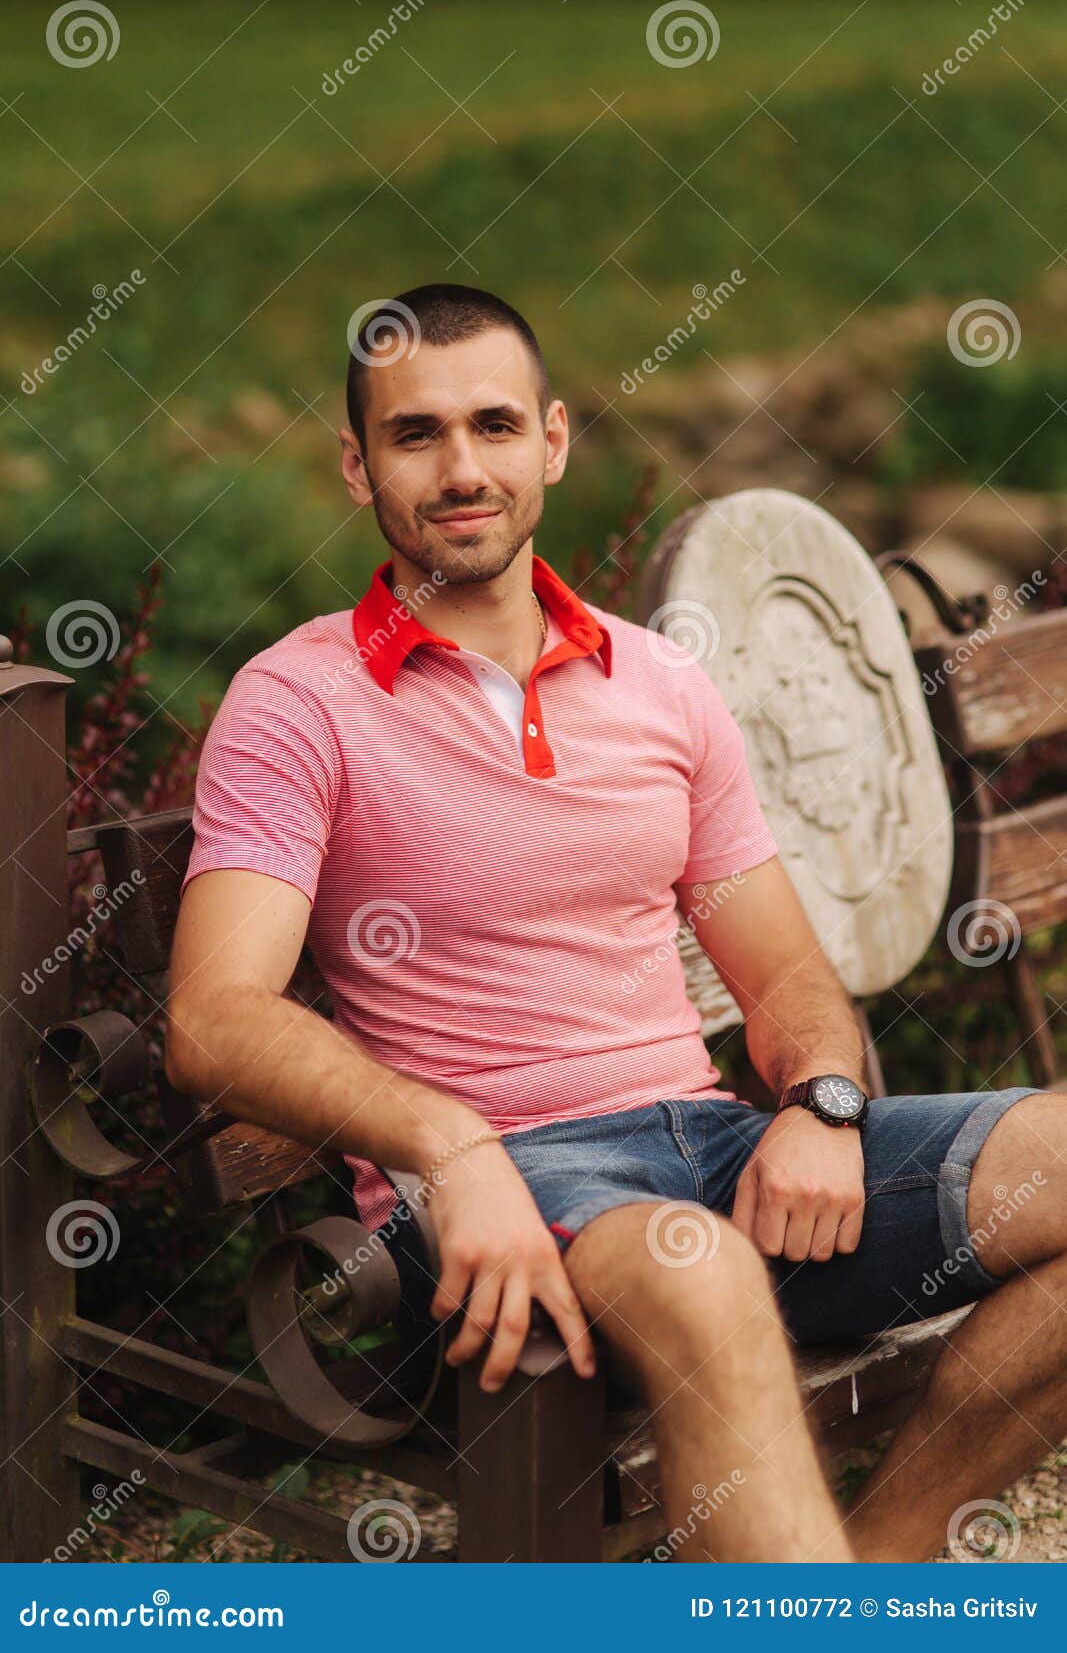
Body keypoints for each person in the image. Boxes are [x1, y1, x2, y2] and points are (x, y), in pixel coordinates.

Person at [166, 282, 1067, 1563]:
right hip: (500, 1195)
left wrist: (820, 1103)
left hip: (707, 1146)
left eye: (492, 424)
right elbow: (212, 1017)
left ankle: (872, 1574)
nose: (461, 468)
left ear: (551, 440)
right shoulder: (297, 702)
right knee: (702, 1269)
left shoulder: (657, 681)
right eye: (416, 434)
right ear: (357, 467)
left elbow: (783, 973)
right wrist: (448, 1144)